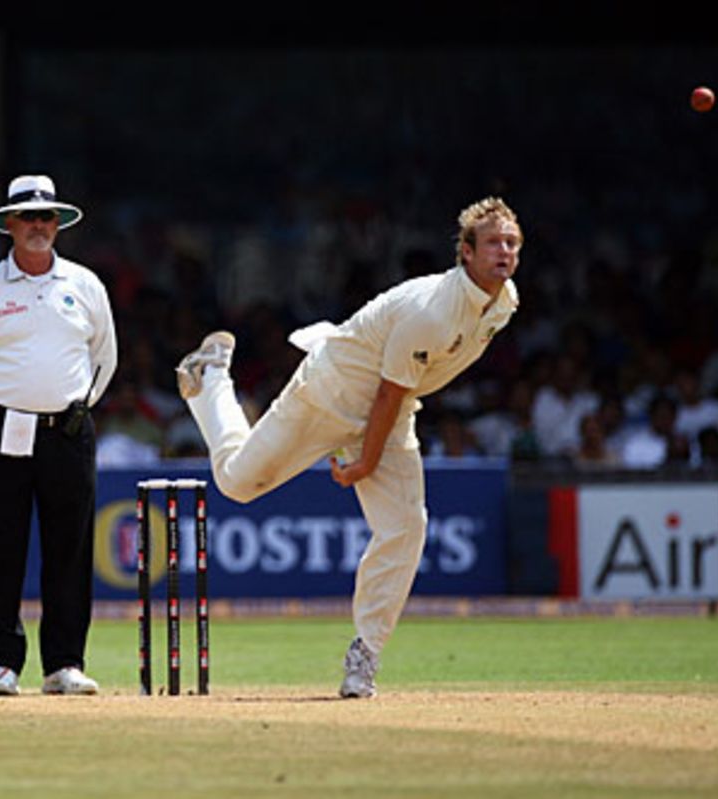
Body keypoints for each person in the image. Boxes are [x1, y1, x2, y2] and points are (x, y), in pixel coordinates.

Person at [176, 197, 522, 698]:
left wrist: (368, 454)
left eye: (511, 243)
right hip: (329, 392)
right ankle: (211, 377)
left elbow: (395, 395)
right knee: (235, 483)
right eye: (492, 242)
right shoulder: (433, 310)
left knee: (406, 526)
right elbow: (387, 390)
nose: (504, 252)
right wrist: (363, 462)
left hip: (391, 405)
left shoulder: (506, 300)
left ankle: (365, 655)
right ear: (465, 252)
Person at [0, 174, 117, 696]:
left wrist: (74, 406)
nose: (39, 226)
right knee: (2, 547)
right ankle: (2, 663)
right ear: (10, 225)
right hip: (4, 429)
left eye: (47, 217)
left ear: (58, 223)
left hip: (66, 429)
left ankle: (64, 663)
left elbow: (104, 359)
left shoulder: (85, 285)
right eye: (29, 217)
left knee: (69, 546)